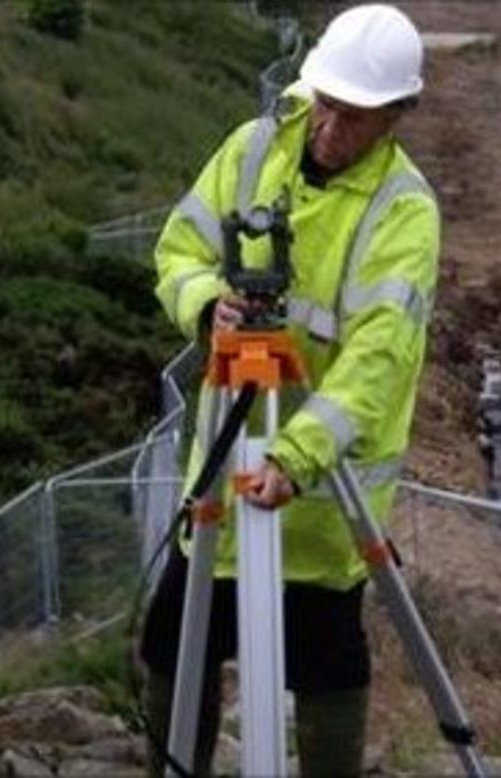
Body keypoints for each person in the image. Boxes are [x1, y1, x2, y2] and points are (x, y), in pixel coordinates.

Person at [140, 4, 440, 776]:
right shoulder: (252, 150)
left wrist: (300, 455)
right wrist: (208, 305)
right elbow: (179, 249)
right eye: (326, 104)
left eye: (355, 115)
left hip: (319, 502)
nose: (331, 127)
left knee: (328, 663)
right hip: (222, 484)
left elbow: (379, 357)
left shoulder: (402, 210)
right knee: (176, 641)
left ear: (397, 115)